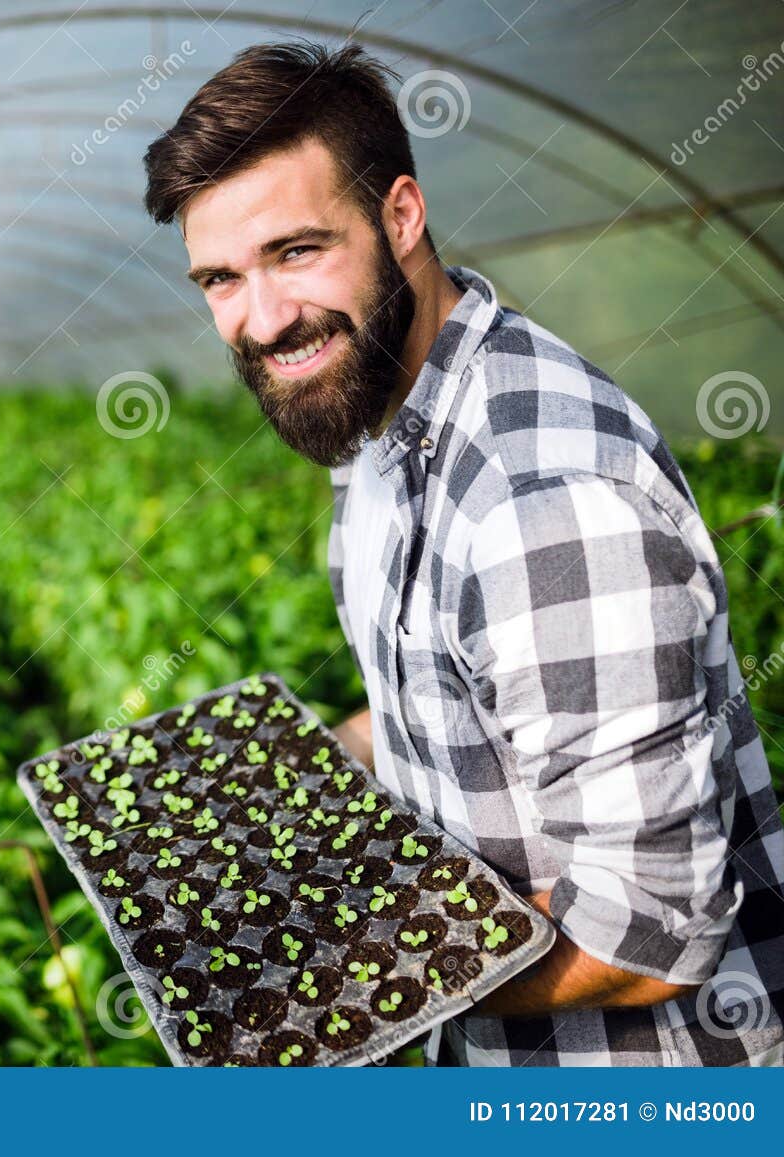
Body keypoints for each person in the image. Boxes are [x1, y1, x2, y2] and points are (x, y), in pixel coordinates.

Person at [142, 40, 784, 1065]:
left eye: (296, 251)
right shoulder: (383, 427)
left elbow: (655, 932)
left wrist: (349, 980)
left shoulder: (544, 507)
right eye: (220, 276)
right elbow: (449, 710)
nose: (261, 319)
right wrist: (273, 773)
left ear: (401, 216)